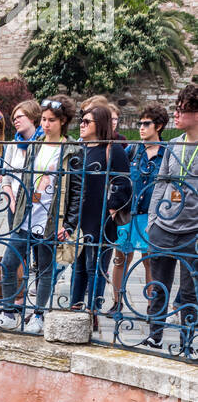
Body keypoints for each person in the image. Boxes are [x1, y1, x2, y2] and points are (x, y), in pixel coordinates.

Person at [0, 95, 81, 334]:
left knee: (44, 269)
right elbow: (25, 178)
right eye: (43, 119)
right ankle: (9, 311)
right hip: (27, 213)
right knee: (10, 262)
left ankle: (39, 315)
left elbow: (76, 191)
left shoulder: (72, 150)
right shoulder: (36, 144)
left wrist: (70, 224)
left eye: (51, 120)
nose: (45, 124)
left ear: (62, 121)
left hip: (52, 218)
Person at [143, 82, 198, 353]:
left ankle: (187, 340)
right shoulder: (173, 145)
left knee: (189, 291)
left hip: (192, 231)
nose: (176, 115)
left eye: (182, 110)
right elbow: (160, 183)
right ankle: (155, 335)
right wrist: (153, 219)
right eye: (176, 109)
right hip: (163, 227)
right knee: (158, 285)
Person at [69, 103, 131, 326]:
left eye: (87, 122)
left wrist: (112, 209)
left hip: (102, 217)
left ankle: (92, 311)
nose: (82, 125)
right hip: (81, 217)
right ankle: (75, 307)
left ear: (100, 124)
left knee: (95, 267)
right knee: (78, 265)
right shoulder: (80, 149)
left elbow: (124, 183)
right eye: (81, 121)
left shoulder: (112, 149)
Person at [110, 104, 167, 314]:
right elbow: (117, 175)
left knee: (150, 262)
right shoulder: (132, 150)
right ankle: (117, 302)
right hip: (128, 212)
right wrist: (113, 206)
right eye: (140, 123)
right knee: (121, 259)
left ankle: (152, 306)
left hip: (152, 215)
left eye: (146, 124)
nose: (141, 128)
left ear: (159, 126)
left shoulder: (167, 153)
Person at [2, 100, 42, 227]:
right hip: (15, 205)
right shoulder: (13, 145)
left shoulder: (44, 144)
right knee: (16, 245)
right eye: (14, 119)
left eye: (19, 117)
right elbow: (5, 179)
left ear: (32, 117)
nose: (15, 121)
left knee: (37, 245)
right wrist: (12, 204)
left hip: (39, 206)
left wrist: (36, 203)